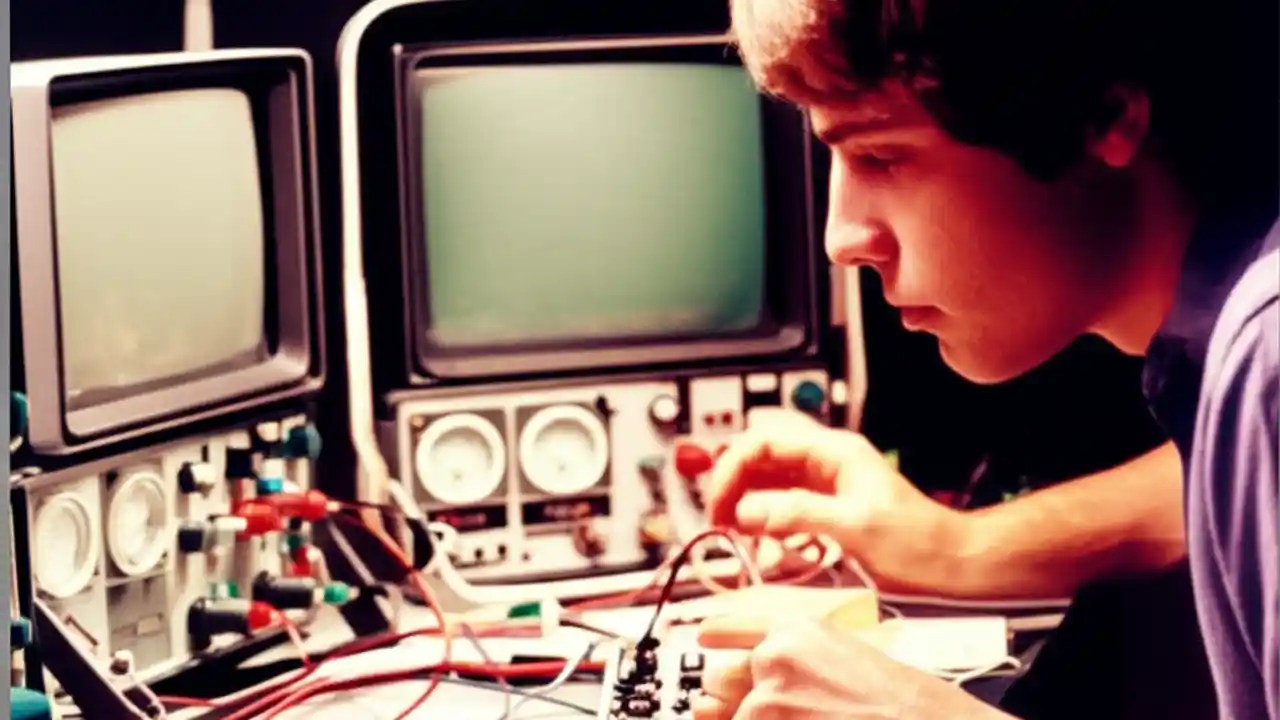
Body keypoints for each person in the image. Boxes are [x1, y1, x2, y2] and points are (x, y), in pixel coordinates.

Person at [691, 0, 1278, 718]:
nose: (841, 240)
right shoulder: (1230, 347)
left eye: (881, 154)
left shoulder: (1267, 357)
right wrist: (950, 547)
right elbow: (1205, 495)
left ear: (1102, 115)